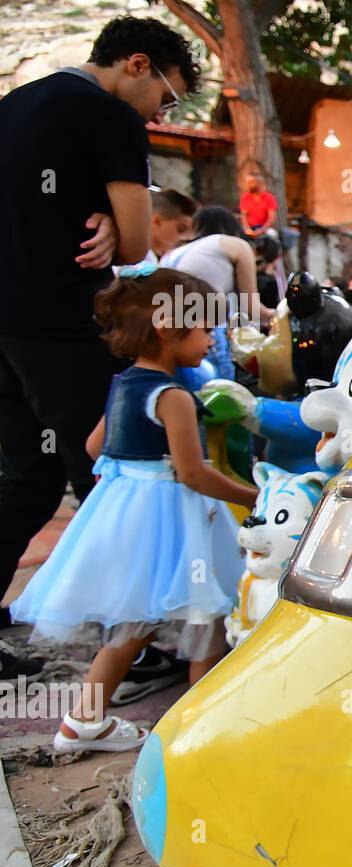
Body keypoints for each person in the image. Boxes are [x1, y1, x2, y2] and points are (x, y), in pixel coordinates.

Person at [0, 16, 199, 681]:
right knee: (116, 474)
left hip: (6, 323)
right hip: (60, 318)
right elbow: (143, 246)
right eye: (166, 98)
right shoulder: (108, 114)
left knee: (26, 477)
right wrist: (120, 228)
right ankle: (129, 641)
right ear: (137, 64)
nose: (161, 111)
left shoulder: (16, 104)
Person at [11, 267, 255, 751]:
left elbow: (92, 446)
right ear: (168, 329)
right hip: (177, 519)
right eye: (206, 328)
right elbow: (192, 472)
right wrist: (254, 496)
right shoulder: (174, 396)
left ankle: (83, 721)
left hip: (129, 515)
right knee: (207, 618)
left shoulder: (123, 384)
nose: (213, 339)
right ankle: (197, 728)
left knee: (134, 625)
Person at [161, 205, 275, 378]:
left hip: (166, 337)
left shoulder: (173, 253)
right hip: (203, 334)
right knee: (219, 397)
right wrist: (282, 316)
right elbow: (252, 309)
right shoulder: (236, 246)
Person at [117, 188, 197, 272]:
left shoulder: (156, 262)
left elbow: (178, 285)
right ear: (156, 221)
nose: (183, 239)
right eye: (181, 229)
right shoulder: (131, 258)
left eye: (189, 237)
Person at [239, 171, 278, 237]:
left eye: (251, 183)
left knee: (272, 235)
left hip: (264, 228)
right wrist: (247, 228)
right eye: (248, 183)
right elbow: (243, 216)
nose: (248, 185)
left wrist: (262, 230)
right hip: (249, 227)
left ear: (259, 184)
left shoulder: (269, 198)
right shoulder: (245, 197)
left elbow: (271, 218)